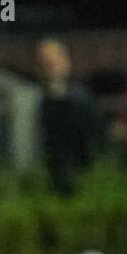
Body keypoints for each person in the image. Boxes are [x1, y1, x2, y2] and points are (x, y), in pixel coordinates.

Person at [35, 39, 103, 194]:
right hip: (44, 174)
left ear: (66, 61)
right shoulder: (33, 102)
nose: (51, 65)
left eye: (55, 59)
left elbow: (93, 138)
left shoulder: (82, 99)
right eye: (45, 61)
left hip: (81, 173)